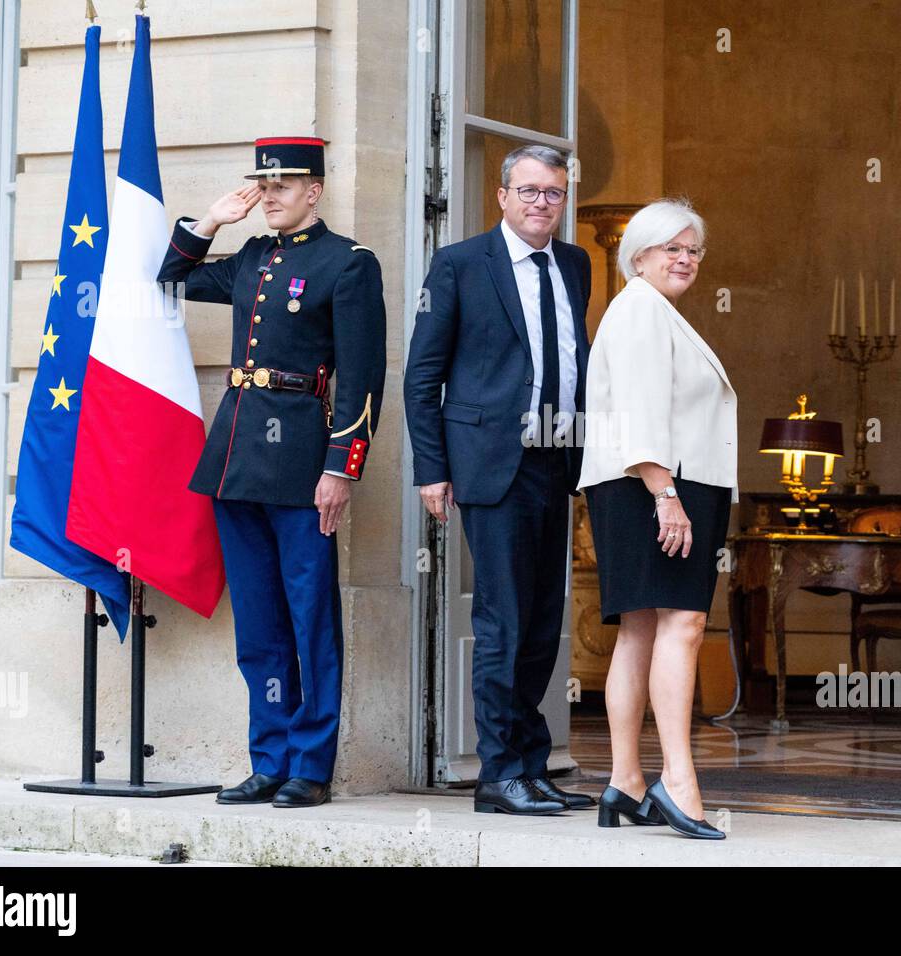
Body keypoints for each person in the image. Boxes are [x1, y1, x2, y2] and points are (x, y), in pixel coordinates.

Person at [156, 136, 386, 808]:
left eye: (283, 185)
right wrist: (211, 221)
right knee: (258, 623)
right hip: (235, 460)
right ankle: (269, 756)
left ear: (314, 191)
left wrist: (341, 469)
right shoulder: (253, 255)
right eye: (263, 184)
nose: (270, 195)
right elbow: (170, 276)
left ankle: (310, 766)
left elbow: (364, 377)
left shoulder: (348, 264)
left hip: (302, 462)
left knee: (309, 616)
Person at [404, 144, 594, 815]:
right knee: (503, 621)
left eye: (555, 193)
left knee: (543, 625)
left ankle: (532, 765)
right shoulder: (459, 265)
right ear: (503, 195)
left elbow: (575, 359)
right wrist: (432, 471)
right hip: (491, 462)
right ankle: (497, 774)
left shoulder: (574, 263)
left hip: (558, 459)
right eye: (531, 191)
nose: (543, 203)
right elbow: (422, 376)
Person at [577, 198, 738, 839]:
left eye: (693, 250)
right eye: (671, 248)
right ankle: (678, 781)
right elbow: (642, 411)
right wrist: (666, 495)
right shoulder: (642, 309)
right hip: (659, 483)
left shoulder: (646, 311)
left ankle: (624, 781)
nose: (685, 259)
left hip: (645, 484)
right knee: (684, 623)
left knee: (641, 629)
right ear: (637, 256)